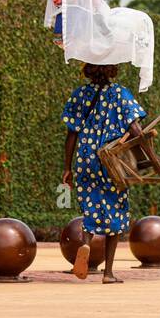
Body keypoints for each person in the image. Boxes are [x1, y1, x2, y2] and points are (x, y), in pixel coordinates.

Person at [61, 63, 146, 283]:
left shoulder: (80, 94)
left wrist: (67, 168)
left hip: (85, 158)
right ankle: (108, 273)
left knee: (90, 207)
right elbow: (136, 129)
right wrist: (149, 157)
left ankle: (86, 244)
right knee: (116, 210)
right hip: (110, 159)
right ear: (112, 69)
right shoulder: (120, 93)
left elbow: (71, 135)